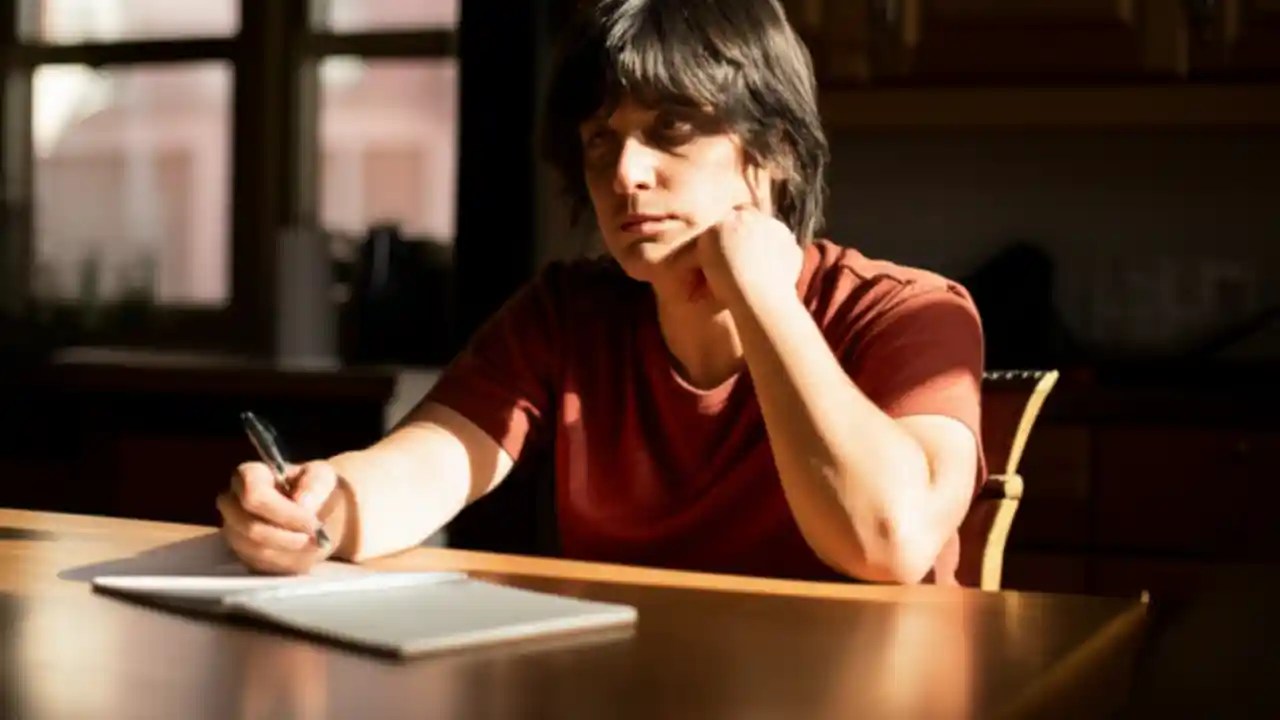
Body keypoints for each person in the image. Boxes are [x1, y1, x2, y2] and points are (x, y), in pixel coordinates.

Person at [217, 0, 985, 585]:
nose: (625, 174)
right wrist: (312, 508)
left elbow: (889, 541)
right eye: (600, 141)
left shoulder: (912, 313)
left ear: (775, 148)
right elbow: (421, 472)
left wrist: (760, 291)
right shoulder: (567, 316)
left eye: (672, 127)